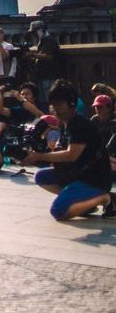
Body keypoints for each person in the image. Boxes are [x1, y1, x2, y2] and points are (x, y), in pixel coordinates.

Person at [24, 80, 113, 220]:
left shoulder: (80, 124)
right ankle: (85, 203)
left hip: (94, 178)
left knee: (58, 211)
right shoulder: (65, 124)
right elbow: (63, 154)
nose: (55, 109)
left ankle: (104, 198)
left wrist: (39, 156)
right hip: (77, 173)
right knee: (41, 176)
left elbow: (71, 155)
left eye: (59, 105)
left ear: (71, 104)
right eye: (53, 105)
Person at [26, 20, 62, 103]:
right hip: (42, 76)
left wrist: (33, 55)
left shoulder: (49, 40)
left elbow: (49, 56)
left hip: (49, 76)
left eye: (34, 32)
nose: (34, 35)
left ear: (40, 30)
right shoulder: (42, 41)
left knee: (49, 99)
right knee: (43, 100)